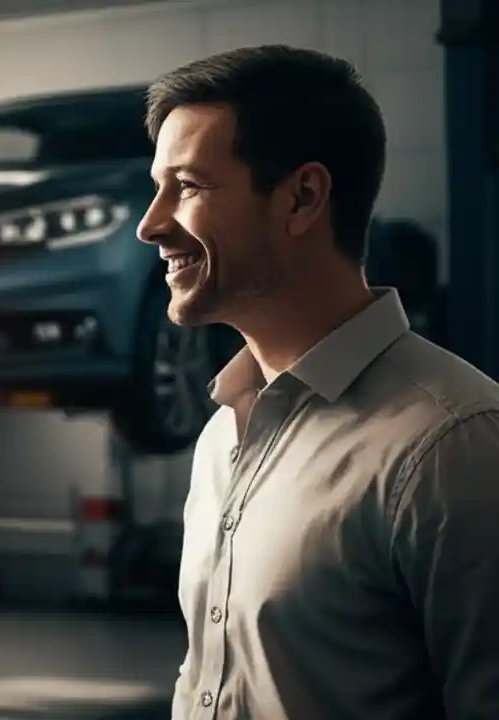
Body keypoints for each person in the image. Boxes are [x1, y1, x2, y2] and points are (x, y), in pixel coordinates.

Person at [137, 45, 499, 719]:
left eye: (187, 187)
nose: (150, 224)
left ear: (302, 197)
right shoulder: (222, 435)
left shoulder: (453, 446)